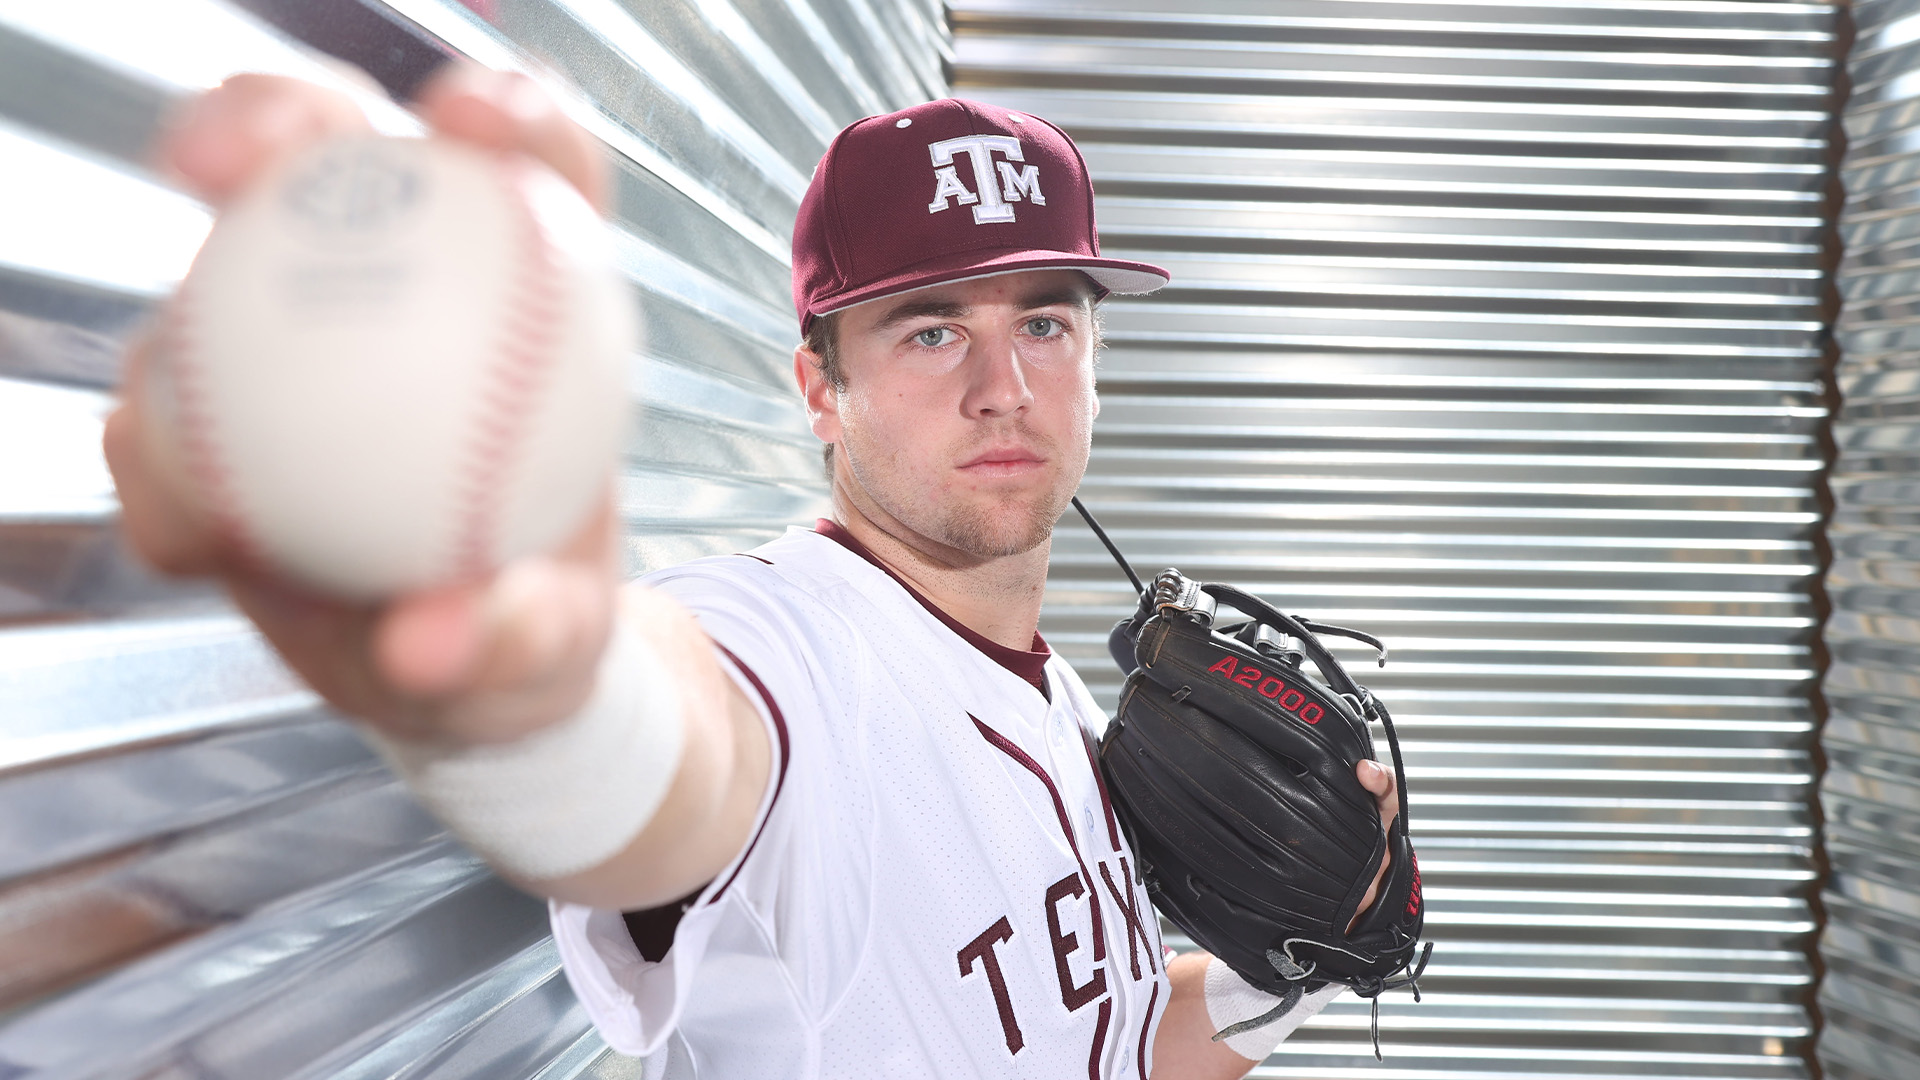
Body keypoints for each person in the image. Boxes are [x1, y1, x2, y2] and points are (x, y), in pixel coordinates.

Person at [103, 65, 1402, 1079]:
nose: (1005, 387)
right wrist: (530, 687)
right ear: (818, 389)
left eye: (1047, 322)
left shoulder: (1063, 706)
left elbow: (1101, 1049)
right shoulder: (778, 653)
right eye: (932, 326)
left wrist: (1287, 967)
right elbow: (673, 749)